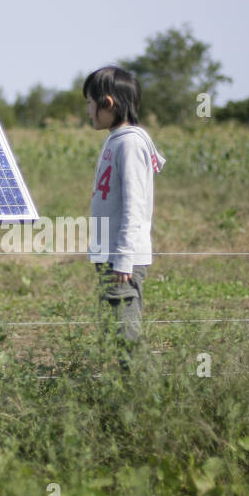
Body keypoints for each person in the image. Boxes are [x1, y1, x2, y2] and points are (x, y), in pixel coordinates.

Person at [83, 65, 166, 368]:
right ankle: (128, 403)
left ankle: (146, 403)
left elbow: (134, 205)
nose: (88, 110)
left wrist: (123, 259)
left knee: (127, 338)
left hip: (122, 261)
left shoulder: (130, 143)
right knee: (117, 336)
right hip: (112, 257)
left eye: (90, 103)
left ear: (107, 103)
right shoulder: (115, 138)